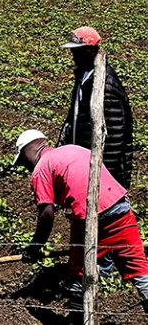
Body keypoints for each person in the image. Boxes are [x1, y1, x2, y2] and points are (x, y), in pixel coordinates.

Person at [14, 130, 148, 314]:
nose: (25, 166)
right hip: (120, 208)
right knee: (140, 271)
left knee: (78, 276)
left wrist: (35, 248)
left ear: (29, 150)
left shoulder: (41, 168)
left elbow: (47, 214)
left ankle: (78, 316)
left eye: (22, 160)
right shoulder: (73, 149)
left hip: (91, 217)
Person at [57, 27, 133, 189]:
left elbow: (113, 140)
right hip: (85, 164)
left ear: (90, 51)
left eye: (77, 51)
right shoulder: (83, 76)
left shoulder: (106, 88)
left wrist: (102, 176)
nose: (73, 56)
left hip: (103, 174)